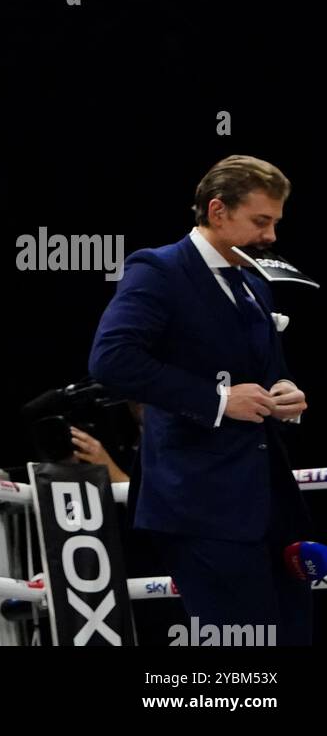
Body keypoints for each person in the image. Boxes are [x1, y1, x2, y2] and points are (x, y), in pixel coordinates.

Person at [89, 155, 312, 646]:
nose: (271, 236)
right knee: (240, 650)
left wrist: (287, 394)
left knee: (291, 639)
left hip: (266, 502)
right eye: (261, 221)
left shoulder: (254, 282)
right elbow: (111, 360)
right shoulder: (159, 269)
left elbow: (266, 373)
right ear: (217, 211)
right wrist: (217, 400)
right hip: (199, 500)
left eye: (275, 221)